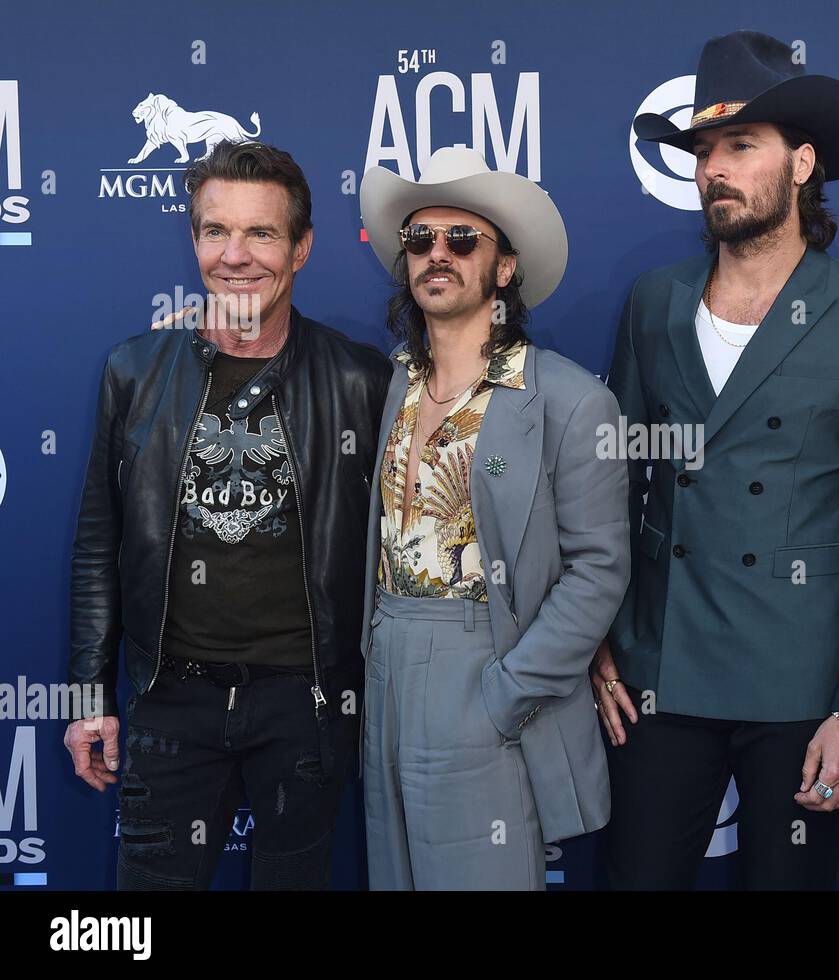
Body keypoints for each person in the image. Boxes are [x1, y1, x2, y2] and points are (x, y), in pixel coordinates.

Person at [594, 29, 839, 889]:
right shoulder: (654, 301)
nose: (715, 169)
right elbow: (615, 481)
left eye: (741, 146)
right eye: (705, 151)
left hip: (801, 686)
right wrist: (600, 641)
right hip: (659, 673)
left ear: (803, 162)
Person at [65, 139, 391, 889]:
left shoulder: (358, 380)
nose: (236, 256)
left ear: (302, 248)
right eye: (217, 231)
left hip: (304, 705)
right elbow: (98, 547)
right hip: (170, 703)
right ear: (194, 240)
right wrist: (89, 695)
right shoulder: (135, 372)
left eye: (262, 233)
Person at [356, 147, 630, 890]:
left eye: (461, 239)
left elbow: (600, 569)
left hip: (487, 669)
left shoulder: (571, 402)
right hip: (384, 666)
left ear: (504, 268)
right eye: (419, 239)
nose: (436, 254)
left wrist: (508, 693)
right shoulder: (380, 388)